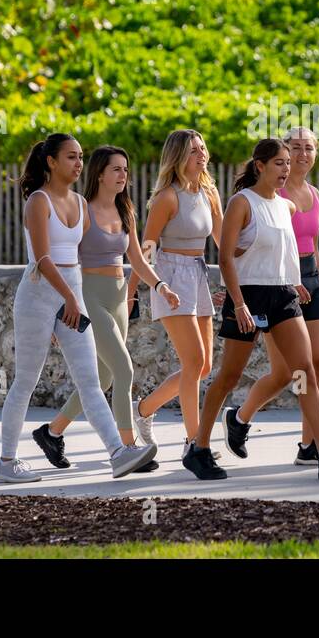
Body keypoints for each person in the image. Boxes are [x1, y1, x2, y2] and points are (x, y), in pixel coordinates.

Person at [184, 138, 319, 481]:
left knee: (305, 371)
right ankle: (200, 448)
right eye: (279, 163)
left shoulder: (287, 207)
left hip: (283, 295)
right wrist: (237, 303)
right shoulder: (242, 202)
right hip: (249, 297)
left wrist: (293, 281)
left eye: (287, 163)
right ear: (260, 166)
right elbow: (226, 256)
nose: (285, 169)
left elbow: (287, 251)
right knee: (229, 376)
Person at [0, 134, 157, 482]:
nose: (79, 163)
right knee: (25, 381)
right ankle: (6, 463)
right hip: (39, 296)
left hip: (72, 297)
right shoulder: (38, 201)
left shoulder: (82, 206)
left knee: (91, 381)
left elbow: (82, 257)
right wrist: (69, 298)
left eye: (81, 157)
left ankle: (118, 453)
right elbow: (42, 258)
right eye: (71, 157)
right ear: (51, 162)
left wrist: (78, 298)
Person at [32, 146, 180, 470]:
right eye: (116, 169)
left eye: (125, 169)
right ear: (99, 173)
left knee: (102, 378)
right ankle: (129, 448)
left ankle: (52, 432)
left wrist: (160, 286)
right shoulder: (81, 211)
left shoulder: (126, 212)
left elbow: (138, 260)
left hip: (118, 299)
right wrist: (61, 309)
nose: (123, 175)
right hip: (89, 296)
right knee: (124, 370)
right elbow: (63, 261)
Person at [221, 127, 319, 465]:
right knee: (287, 372)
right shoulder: (265, 196)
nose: (302, 155)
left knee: (318, 363)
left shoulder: (313, 194)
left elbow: (313, 247)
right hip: (275, 282)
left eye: (308, 148)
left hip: (307, 278)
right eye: (294, 148)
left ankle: (309, 444)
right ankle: (240, 416)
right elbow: (239, 247)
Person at [121, 130, 225, 456]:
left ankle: (143, 409)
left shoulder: (209, 193)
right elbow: (146, 250)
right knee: (193, 361)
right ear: (179, 156)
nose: (202, 155)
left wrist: (238, 282)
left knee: (204, 366)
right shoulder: (167, 197)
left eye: (203, 148)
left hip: (198, 273)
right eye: (194, 151)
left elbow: (226, 245)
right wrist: (133, 289)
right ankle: (194, 442)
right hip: (170, 276)